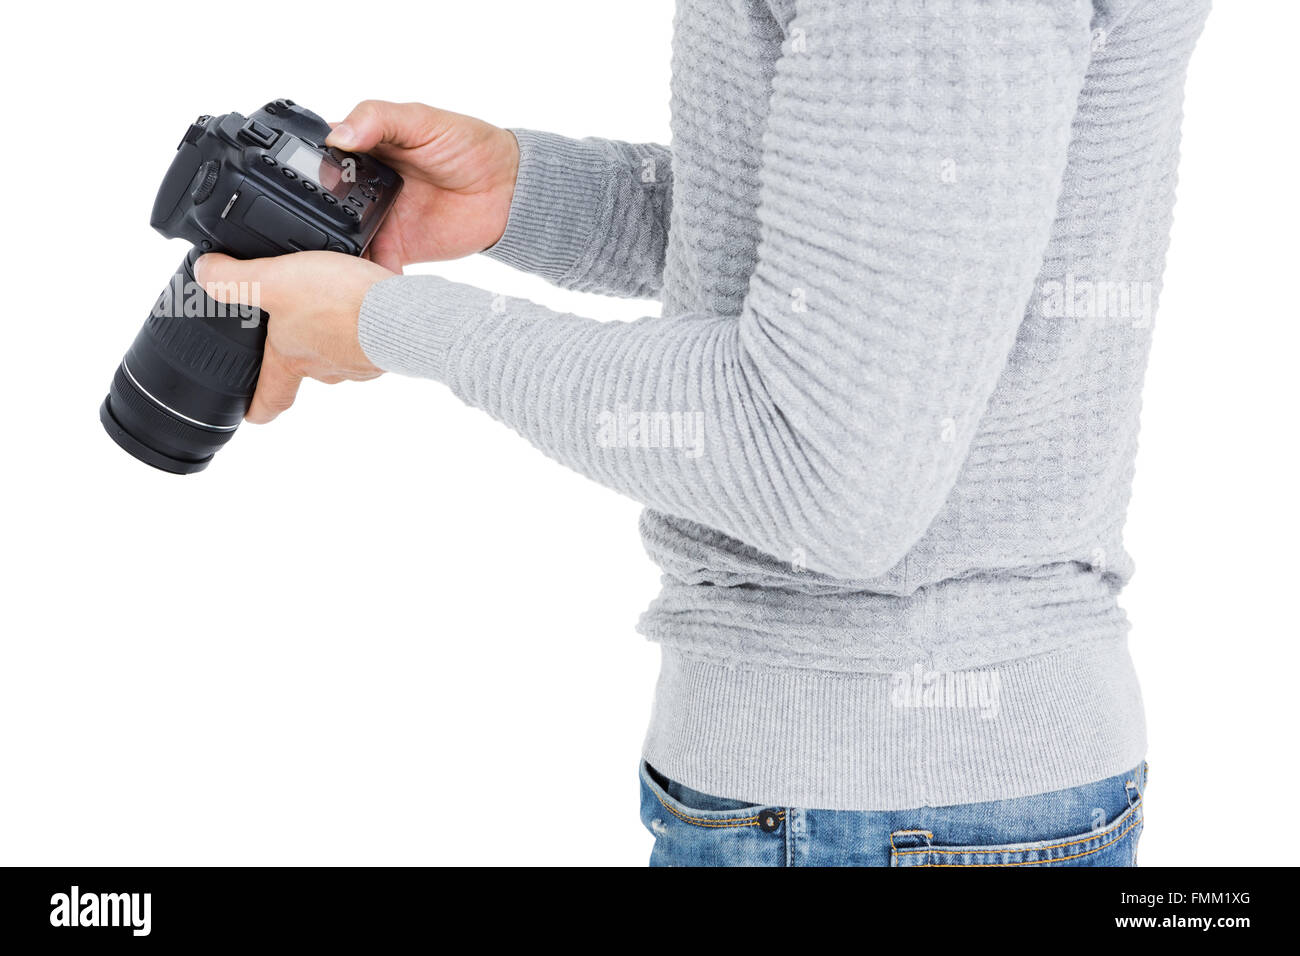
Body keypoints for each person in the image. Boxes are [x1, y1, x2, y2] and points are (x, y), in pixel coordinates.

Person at [195, 0, 1209, 866]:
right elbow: (885, 249)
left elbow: (820, 465)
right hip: (909, 798)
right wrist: (522, 195)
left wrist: (385, 322)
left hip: (870, 807)